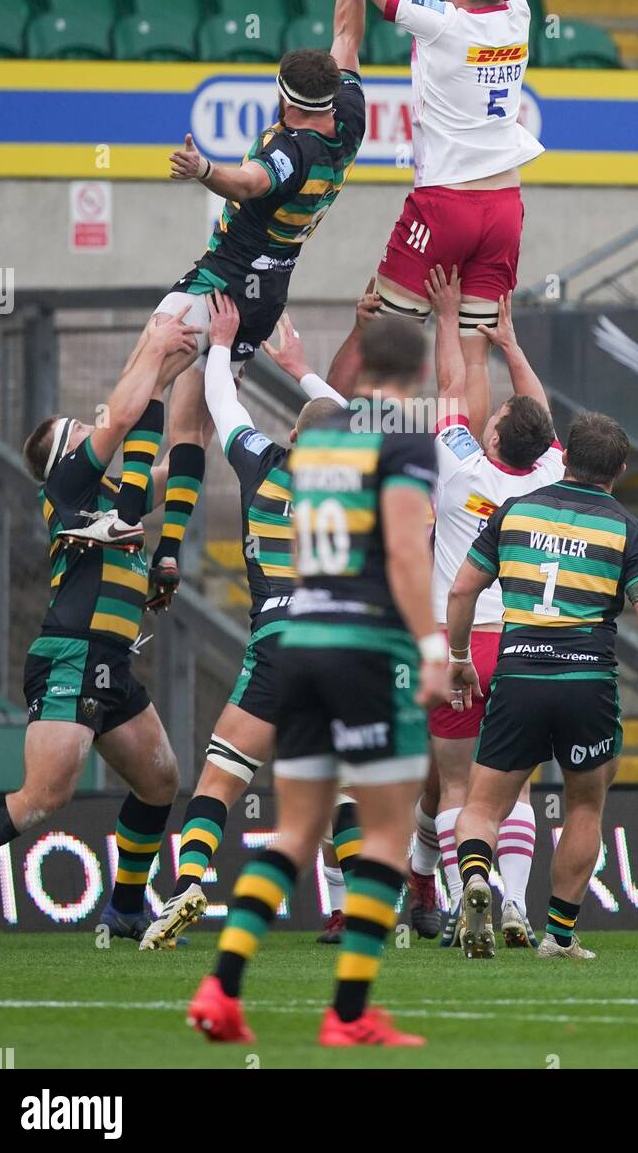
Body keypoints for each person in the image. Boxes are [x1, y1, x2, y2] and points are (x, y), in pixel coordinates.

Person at [64, 0, 367, 617]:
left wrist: (202, 168)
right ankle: (168, 548)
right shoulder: (350, 116)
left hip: (225, 278)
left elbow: (252, 182)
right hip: (268, 293)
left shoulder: (292, 151)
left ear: (286, 100)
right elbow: (348, 23)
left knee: (145, 367)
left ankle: (118, 512)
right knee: (191, 420)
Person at [187, 317, 456, 1048]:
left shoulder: (317, 447)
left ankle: (222, 989)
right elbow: (404, 547)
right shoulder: (403, 442)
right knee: (385, 833)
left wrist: (271, 361)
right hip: (366, 648)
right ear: (419, 377)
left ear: (362, 363)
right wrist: (430, 644)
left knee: (297, 829)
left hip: (297, 643)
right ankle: (348, 1013)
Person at [0, 315, 201, 940]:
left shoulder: (109, 496)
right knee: (44, 797)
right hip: (71, 654)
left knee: (160, 781)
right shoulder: (67, 482)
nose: (92, 430)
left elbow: (176, 463)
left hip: (111, 663)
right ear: (65, 455)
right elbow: (124, 420)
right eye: (80, 431)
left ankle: (125, 910)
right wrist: (152, 347)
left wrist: (192, 372)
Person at [447, 411, 638, 960]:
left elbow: (463, 591)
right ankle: (557, 937)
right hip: (587, 682)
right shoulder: (626, 528)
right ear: (621, 470)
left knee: (484, 804)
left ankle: (474, 880)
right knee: (584, 806)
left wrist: (460, 658)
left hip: (518, 676)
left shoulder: (512, 513)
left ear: (563, 457)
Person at [140, 293, 345, 949]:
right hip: (342, 644)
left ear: (293, 437)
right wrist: (304, 371)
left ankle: (190, 880)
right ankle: (357, 911)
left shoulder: (265, 465)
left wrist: (223, 346)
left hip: (280, 637)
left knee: (222, 774)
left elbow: (225, 411)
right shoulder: (365, 482)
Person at [341, 0, 544, 434]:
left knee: (381, 332)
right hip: (504, 207)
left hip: (444, 205)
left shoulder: (444, 22)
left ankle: (344, 456)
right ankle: (466, 476)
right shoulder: (516, 11)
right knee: (473, 351)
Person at [408, 266, 564, 949]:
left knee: (453, 786)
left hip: (461, 640)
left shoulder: (462, 463)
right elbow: (541, 417)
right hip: (527, 646)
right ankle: (517, 907)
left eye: (496, 413)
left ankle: (459, 892)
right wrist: (510, 346)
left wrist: (448, 319)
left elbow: (448, 390)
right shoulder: (549, 474)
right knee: (515, 791)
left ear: (493, 436)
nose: (492, 409)